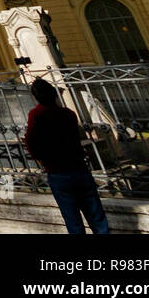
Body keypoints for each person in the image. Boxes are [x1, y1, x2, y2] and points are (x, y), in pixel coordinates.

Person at [25, 78, 111, 234]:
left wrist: (41, 160)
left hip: (58, 172)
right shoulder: (69, 114)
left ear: (36, 97)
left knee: (73, 221)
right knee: (97, 217)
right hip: (79, 168)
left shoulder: (37, 114)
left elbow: (30, 142)